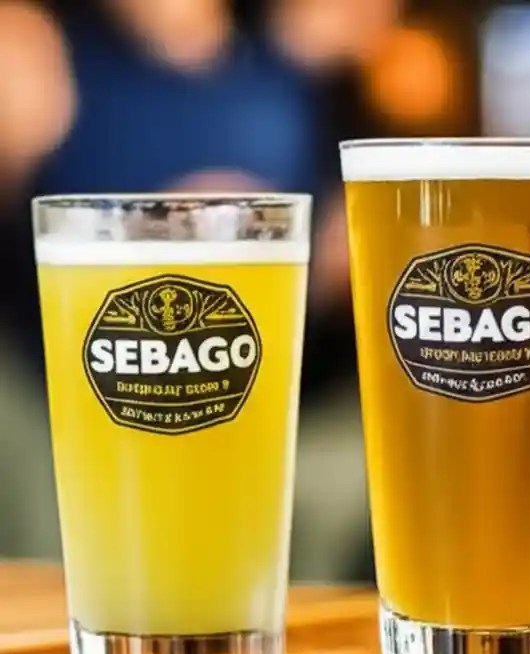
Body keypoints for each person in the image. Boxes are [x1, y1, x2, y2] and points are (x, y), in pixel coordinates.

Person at [0, 0, 399, 578]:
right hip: (82, 396)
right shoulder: (50, 54)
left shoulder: (279, 72)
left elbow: (324, 256)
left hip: (258, 389)